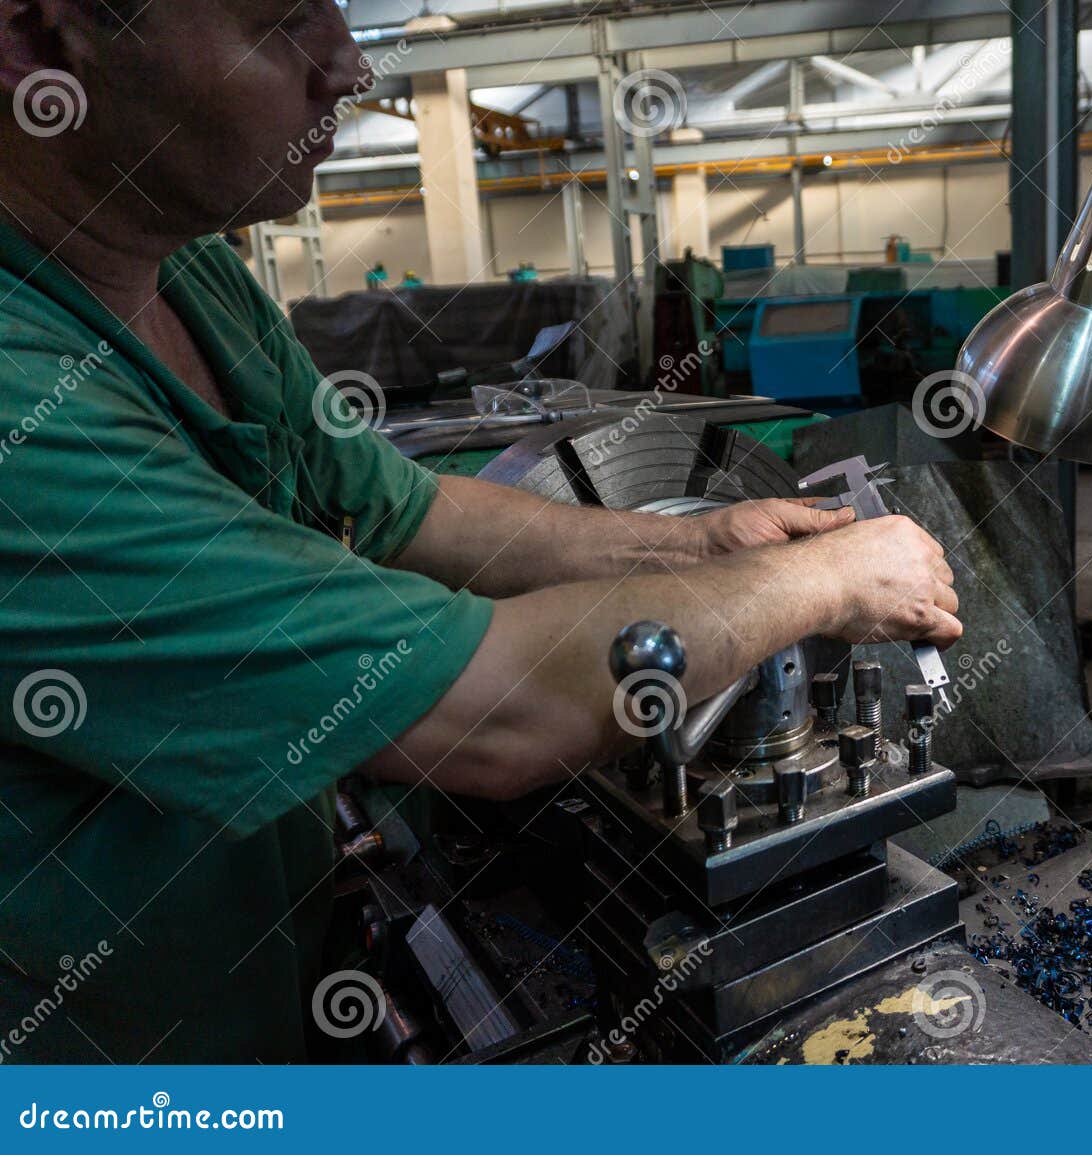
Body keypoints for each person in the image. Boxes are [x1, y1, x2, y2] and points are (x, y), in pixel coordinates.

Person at [0, 0, 960, 1062]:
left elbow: (404, 507)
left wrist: (699, 546)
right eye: (278, 21)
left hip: (267, 961)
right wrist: (824, 585)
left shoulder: (187, 273)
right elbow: (499, 714)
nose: (349, 66)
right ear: (39, 43)